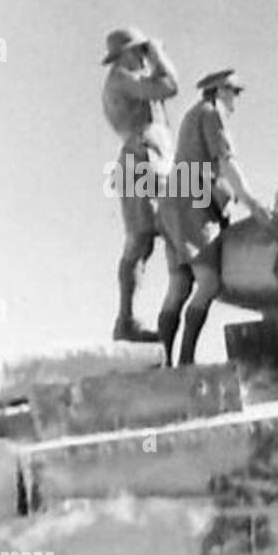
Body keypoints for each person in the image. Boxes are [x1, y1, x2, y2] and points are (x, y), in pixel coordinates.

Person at [156, 69, 271, 366]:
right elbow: (225, 161)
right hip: (194, 205)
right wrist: (251, 202)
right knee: (208, 283)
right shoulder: (211, 113)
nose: (236, 99)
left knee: (179, 286)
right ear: (220, 91)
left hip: (173, 205)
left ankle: (163, 362)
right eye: (234, 92)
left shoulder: (194, 114)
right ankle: (185, 362)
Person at [101, 26, 179, 342]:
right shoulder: (121, 77)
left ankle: (129, 320)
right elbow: (171, 85)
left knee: (148, 238)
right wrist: (159, 53)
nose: (144, 57)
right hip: (142, 159)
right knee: (143, 238)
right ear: (127, 53)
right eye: (140, 51)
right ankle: (126, 320)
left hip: (151, 158)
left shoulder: (132, 80)